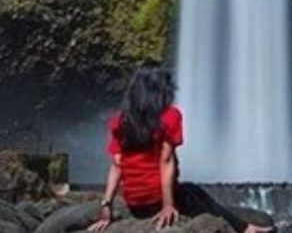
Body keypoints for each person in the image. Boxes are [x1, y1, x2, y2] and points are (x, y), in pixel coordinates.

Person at [88, 67, 273, 232]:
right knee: (195, 192)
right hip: (157, 200)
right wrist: (168, 205)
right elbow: (166, 161)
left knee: (192, 192)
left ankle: (245, 228)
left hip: (135, 203)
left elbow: (116, 165)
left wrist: (106, 205)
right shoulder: (169, 117)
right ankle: (246, 229)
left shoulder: (119, 121)